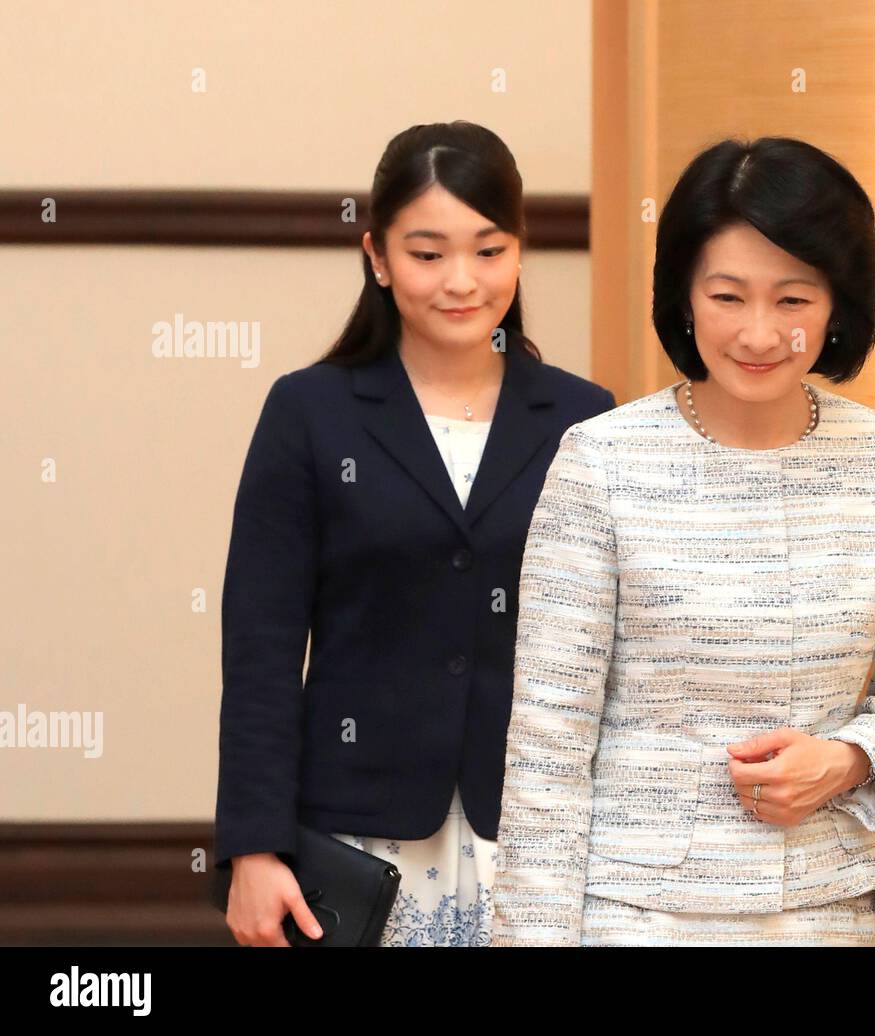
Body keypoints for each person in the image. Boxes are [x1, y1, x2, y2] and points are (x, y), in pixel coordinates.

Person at [490, 136, 875, 946]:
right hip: (636, 918)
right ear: (683, 296)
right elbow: (548, 746)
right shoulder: (601, 461)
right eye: (727, 296)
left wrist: (847, 759)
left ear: (838, 307)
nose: (757, 332)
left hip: (827, 914)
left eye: (793, 300)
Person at [213, 121, 616, 947]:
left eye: (489, 250)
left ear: (520, 250)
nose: (461, 282)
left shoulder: (586, 419)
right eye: (428, 254)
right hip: (359, 841)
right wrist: (254, 847)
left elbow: (620, 652)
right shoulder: (310, 413)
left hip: (543, 838)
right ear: (377, 257)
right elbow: (260, 649)